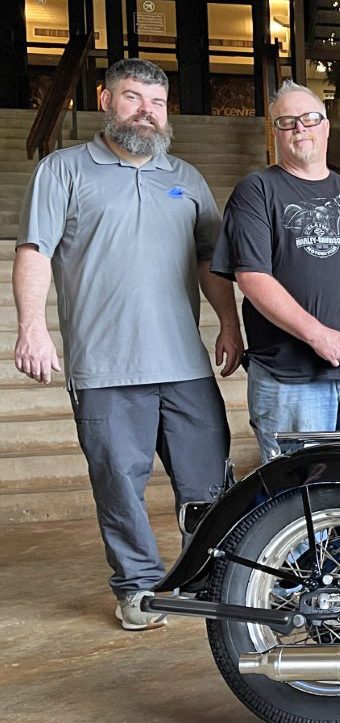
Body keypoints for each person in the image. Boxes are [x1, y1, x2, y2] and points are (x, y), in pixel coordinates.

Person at [12, 58, 241, 631]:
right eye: (134, 97)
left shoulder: (184, 177)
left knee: (209, 481)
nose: (147, 111)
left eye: (158, 102)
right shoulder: (63, 170)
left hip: (183, 363)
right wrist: (33, 327)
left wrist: (229, 325)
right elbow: (34, 249)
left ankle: (209, 575)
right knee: (118, 484)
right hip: (106, 366)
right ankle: (138, 586)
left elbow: (209, 258)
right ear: (106, 100)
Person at [213, 80, 340, 462]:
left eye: (309, 118)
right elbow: (253, 278)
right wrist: (319, 336)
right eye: (287, 122)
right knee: (298, 500)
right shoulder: (257, 191)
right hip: (292, 377)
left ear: (327, 126)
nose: (300, 128)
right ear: (276, 133)